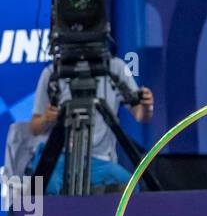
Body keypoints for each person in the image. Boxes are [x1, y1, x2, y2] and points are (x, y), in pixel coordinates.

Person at [28, 59, 154, 193]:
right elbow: (34, 128)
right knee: (46, 188)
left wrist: (147, 106)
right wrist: (45, 118)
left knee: (130, 189)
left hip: (100, 160)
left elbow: (141, 115)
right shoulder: (51, 72)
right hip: (60, 158)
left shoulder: (116, 67)